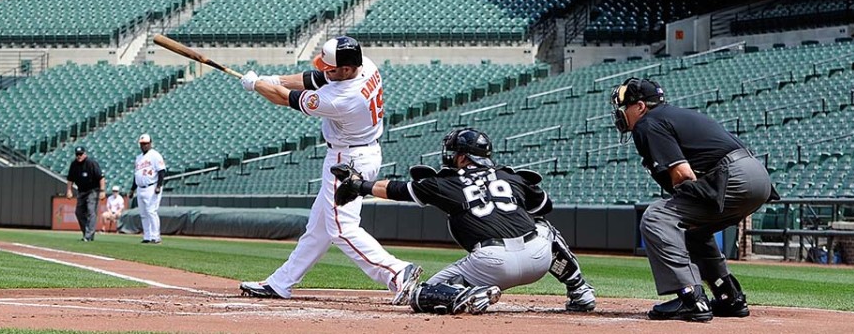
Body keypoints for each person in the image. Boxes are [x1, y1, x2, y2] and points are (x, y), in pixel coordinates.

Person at [332, 127, 597, 316]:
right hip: (538, 259)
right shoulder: (511, 176)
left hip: (491, 265)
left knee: (422, 293)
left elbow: (397, 189)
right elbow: (544, 206)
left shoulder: (447, 182)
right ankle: (580, 291)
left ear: (462, 157)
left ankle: (470, 295)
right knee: (543, 228)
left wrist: (359, 185)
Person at [237, 36, 422, 302]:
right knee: (320, 227)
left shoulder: (341, 98)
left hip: (346, 160)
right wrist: (273, 78)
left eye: (332, 68)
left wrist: (258, 85)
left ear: (346, 69)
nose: (327, 71)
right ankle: (280, 283)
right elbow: (314, 78)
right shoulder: (364, 65)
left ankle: (397, 272)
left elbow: (283, 99)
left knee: (341, 229)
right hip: (363, 150)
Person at [610, 77, 778, 322]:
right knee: (694, 232)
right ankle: (728, 297)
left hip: (733, 177)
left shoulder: (648, 123)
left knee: (656, 218)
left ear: (641, 107)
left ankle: (690, 299)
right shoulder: (673, 115)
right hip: (757, 177)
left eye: (625, 108)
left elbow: (683, 174)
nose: (621, 114)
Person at [130, 133, 167, 244]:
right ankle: (147, 236)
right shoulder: (138, 158)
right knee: (143, 214)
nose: (144, 146)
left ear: (150, 143)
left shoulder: (155, 155)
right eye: (142, 144)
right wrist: (132, 189)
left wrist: (159, 186)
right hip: (140, 188)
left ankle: (156, 237)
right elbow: (136, 175)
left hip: (152, 186)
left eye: (146, 143)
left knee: (151, 212)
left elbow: (161, 171)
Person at [66, 146, 105, 242]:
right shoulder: (74, 164)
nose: (79, 156)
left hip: (93, 190)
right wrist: (69, 190)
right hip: (81, 191)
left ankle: (88, 235)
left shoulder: (91, 163)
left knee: (91, 211)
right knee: (78, 212)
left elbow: (101, 177)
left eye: (80, 154)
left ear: (85, 154)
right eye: (77, 154)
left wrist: (102, 191)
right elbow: (70, 179)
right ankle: (87, 233)